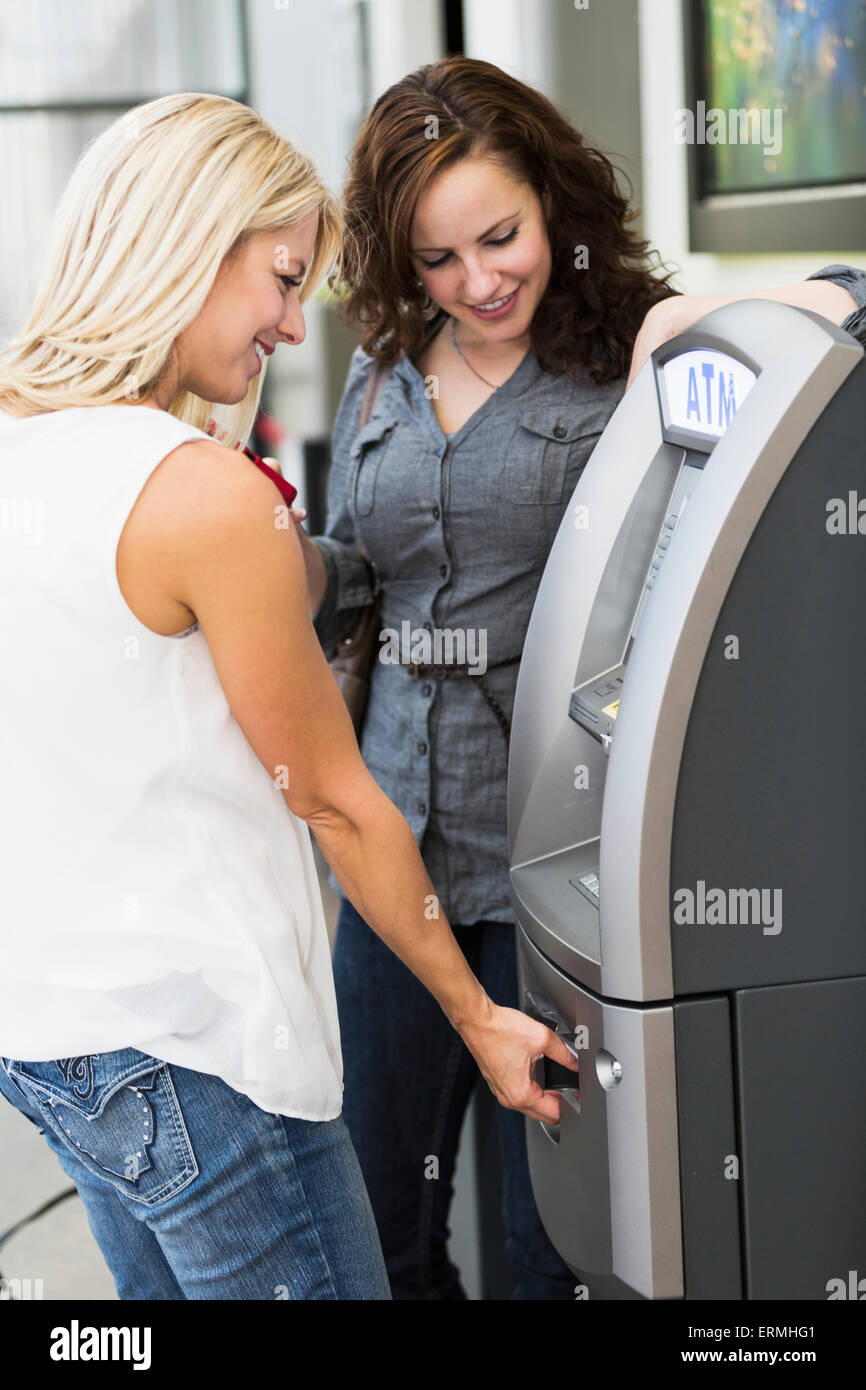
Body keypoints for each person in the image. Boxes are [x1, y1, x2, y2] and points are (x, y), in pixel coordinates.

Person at [294, 55, 866, 1300]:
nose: (478, 281)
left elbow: (848, 298)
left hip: (552, 870)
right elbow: (367, 565)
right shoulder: (385, 354)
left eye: (499, 236)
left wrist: (692, 320)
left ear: (550, 198)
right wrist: (290, 571)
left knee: (543, 1247)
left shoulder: (635, 348)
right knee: (373, 1222)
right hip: (394, 860)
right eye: (437, 259)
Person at [0, 91, 578, 1301]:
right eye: (277, 278)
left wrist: (295, 570)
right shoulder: (207, 494)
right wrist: (478, 1018)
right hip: (200, 1054)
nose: (289, 325)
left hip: (48, 1038)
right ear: (184, 242)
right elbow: (333, 802)